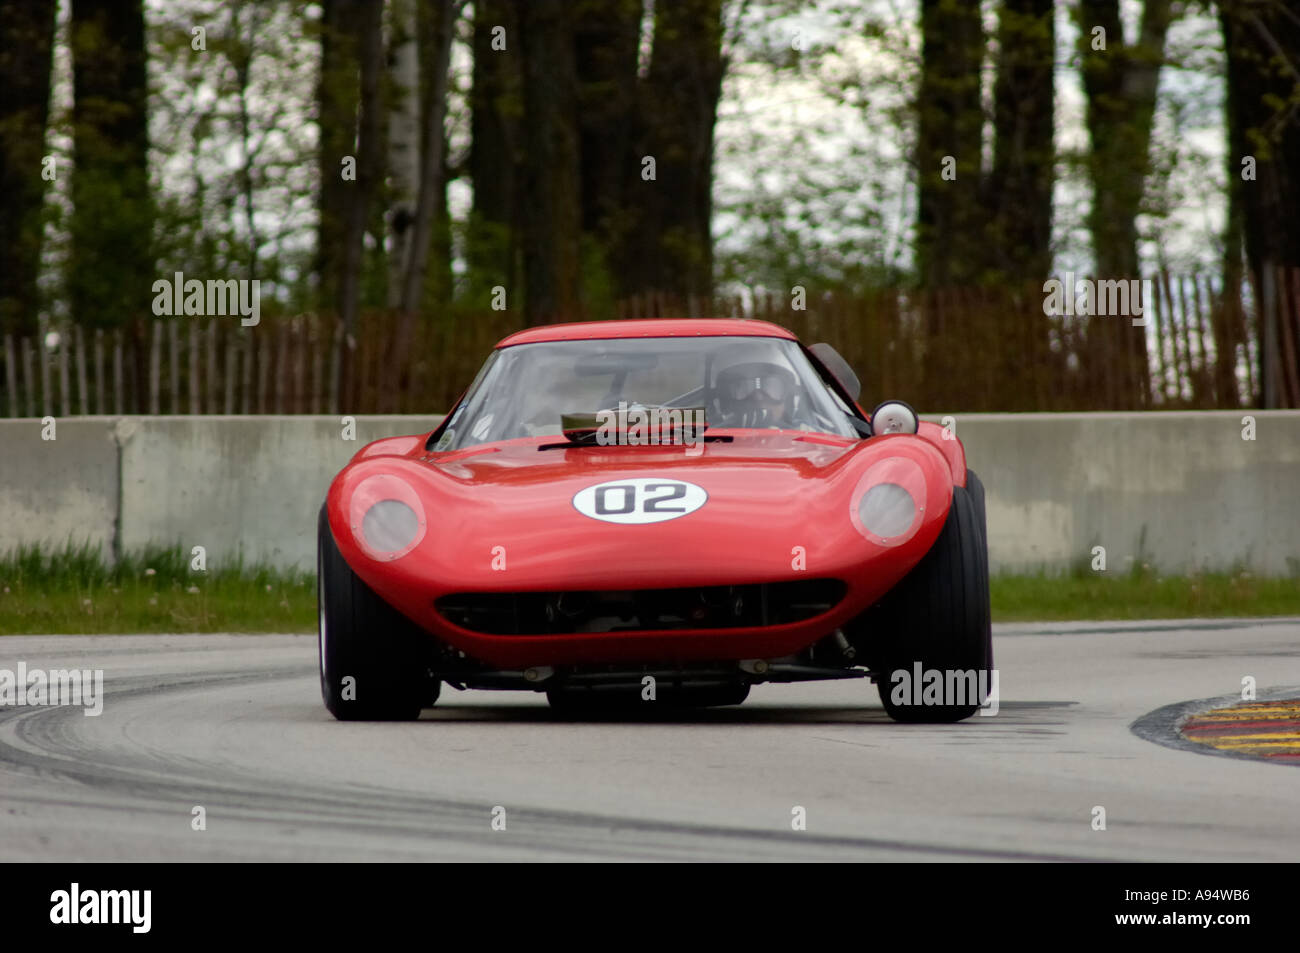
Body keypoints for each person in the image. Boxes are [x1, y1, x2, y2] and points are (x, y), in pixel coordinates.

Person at [713, 361, 798, 428]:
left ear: (788, 399)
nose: (758, 397)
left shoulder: (803, 435)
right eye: (741, 386)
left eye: (770, 385)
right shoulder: (710, 437)